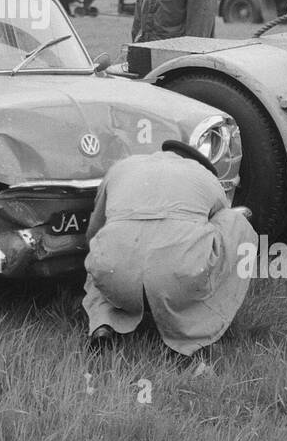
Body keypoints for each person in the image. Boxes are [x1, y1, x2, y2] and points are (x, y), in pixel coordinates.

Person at [83, 140, 258, 367]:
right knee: (235, 222)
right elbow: (220, 222)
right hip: (176, 276)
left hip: (115, 275)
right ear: (197, 163)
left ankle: (102, 324)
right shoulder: (205, 177)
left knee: (101, 245)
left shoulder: (122, 167)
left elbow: (92, 232)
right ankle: (191, 338)